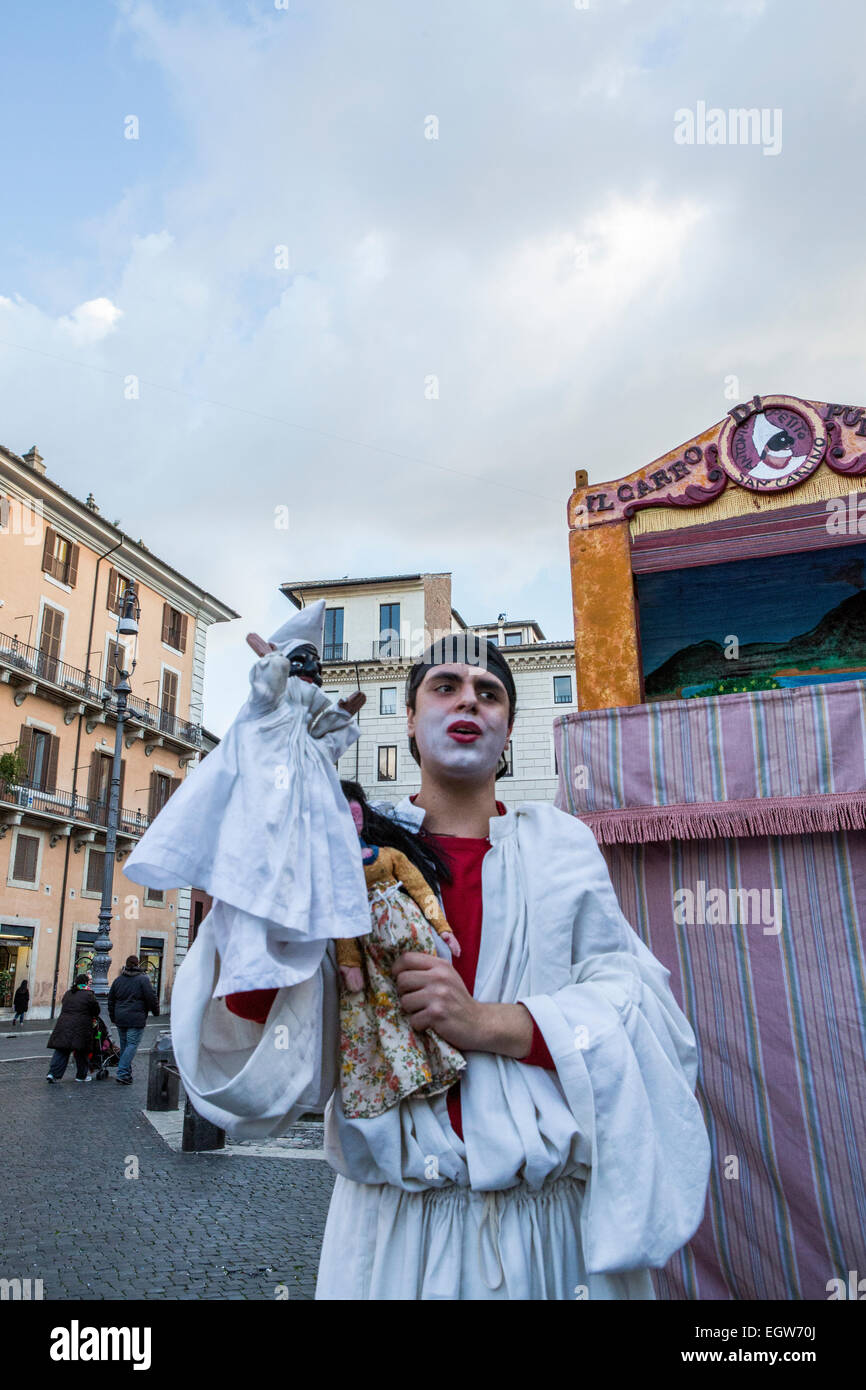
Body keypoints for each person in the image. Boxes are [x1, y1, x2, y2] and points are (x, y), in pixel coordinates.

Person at [170, 631, 711, 1300]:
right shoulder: (347, 851)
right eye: (445, 687)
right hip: (394, 1235)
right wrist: (273, 805)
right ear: (409, 719)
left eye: (489, 694)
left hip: (547, 1236)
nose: (468, 702)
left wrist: (493, 1024)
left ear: (508, 729)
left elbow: (641, 1011)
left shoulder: (560, 847)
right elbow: (260, 1021)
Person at [107, 956, 160, 1085]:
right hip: (136, 1018)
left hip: (121, 1018)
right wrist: (156, 1011)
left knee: (125, 1045)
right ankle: (123, 1072)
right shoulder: (143, 980)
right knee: (132, 1045)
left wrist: (113, 1016)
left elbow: (111, 1000)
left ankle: (126, 1073)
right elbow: (151, 997)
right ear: (137, 964)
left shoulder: (118, 980)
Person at [46, 974, 101, 1082]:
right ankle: (81, 1076)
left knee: (61, 1051)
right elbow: (96, 1010)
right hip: (81, 1027)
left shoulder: (68, 993)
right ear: (85, 983)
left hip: (64, 1025)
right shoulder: (89, 995)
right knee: (81, 1052)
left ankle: (53, 1074)